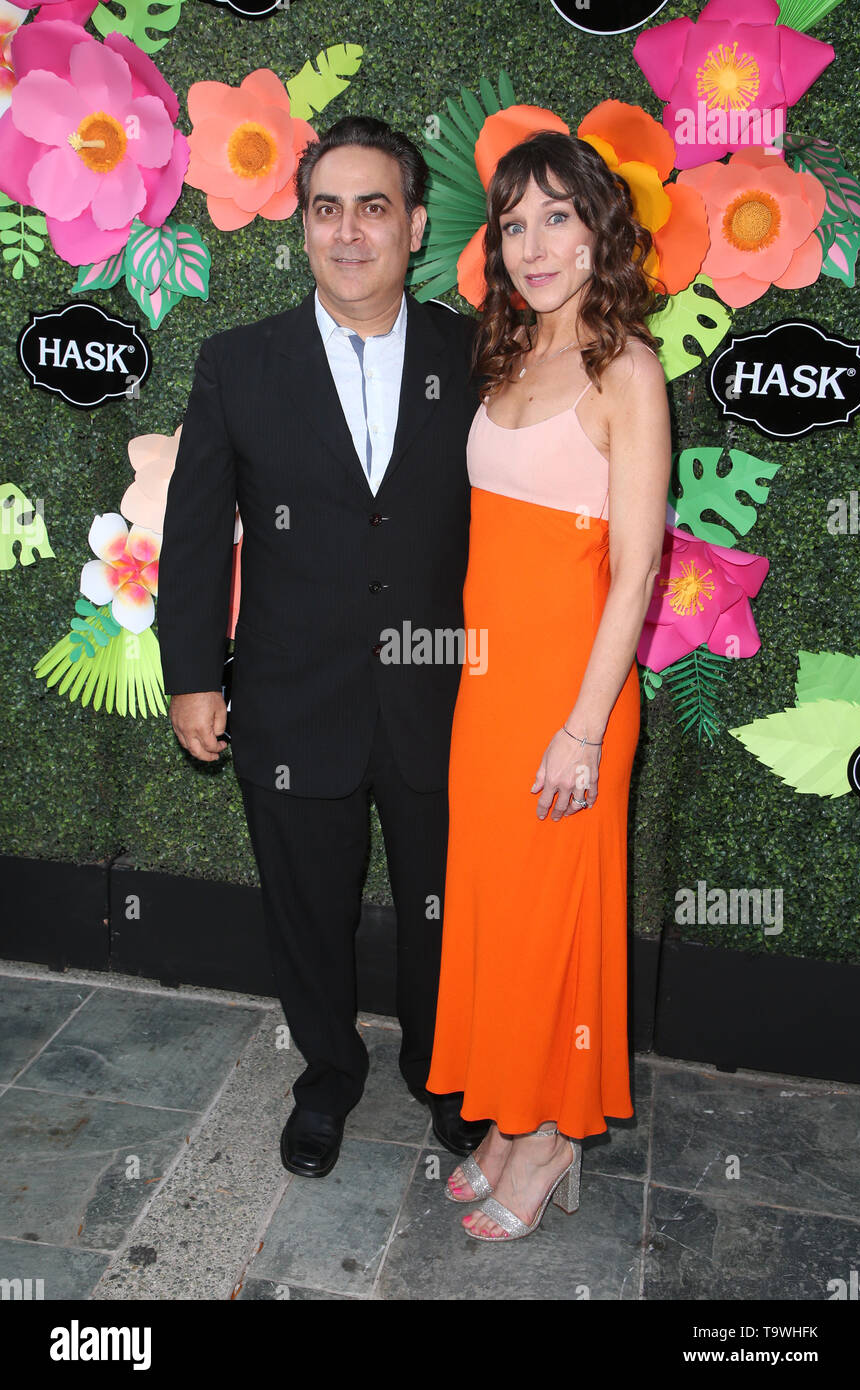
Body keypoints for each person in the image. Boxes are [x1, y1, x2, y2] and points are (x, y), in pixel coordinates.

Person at [157, 116, 490, 1179]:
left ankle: (446, 1076)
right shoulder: (238, 362)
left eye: (373, 206)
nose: (349, 231)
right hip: (294, 697)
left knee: (448, 906)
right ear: (302, 227)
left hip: (446, 698)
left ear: (415, 223)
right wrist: (192, 676)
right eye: (326, 208)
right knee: (306, 910)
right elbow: (199, 530)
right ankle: (326, 1078)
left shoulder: (476, 356)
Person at [426, 130, 671, 1240]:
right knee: (496, 910)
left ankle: (551, 1132)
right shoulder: (512, 352)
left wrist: (581, 729)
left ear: (599, 230)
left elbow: (635, 572)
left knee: (552, 920)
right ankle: (511, 1112)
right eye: (514, 222)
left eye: (557, 217)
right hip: (488, 691)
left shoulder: (628, 369)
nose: (533, 243)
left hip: (573, 700)